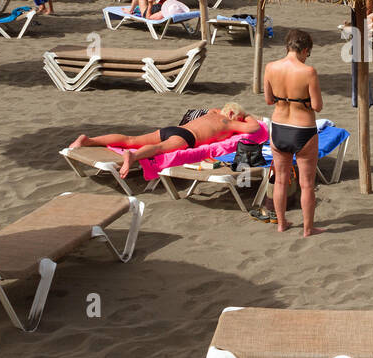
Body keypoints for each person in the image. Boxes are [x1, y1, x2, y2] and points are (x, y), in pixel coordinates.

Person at [69, 104, 263, 178]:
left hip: (175, 129)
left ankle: (88, 140)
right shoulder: (228, 122)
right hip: (187, 138)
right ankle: (134, 156)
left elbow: (217, 108)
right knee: (159, 149)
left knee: (130, 139)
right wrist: (247, 116)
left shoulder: (213, 113)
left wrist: (228, 110)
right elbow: (254, 127)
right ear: (233, 115)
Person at [262, 29, 324, 236]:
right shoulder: (308, 72)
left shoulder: (270, 67)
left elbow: (269, 100)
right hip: (303, 129)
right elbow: (317, 106)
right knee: (306, 184)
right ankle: (308, 228)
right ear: (305, 50)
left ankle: (281, 223)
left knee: (280, 179)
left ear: (287, 46)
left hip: (279, 127)